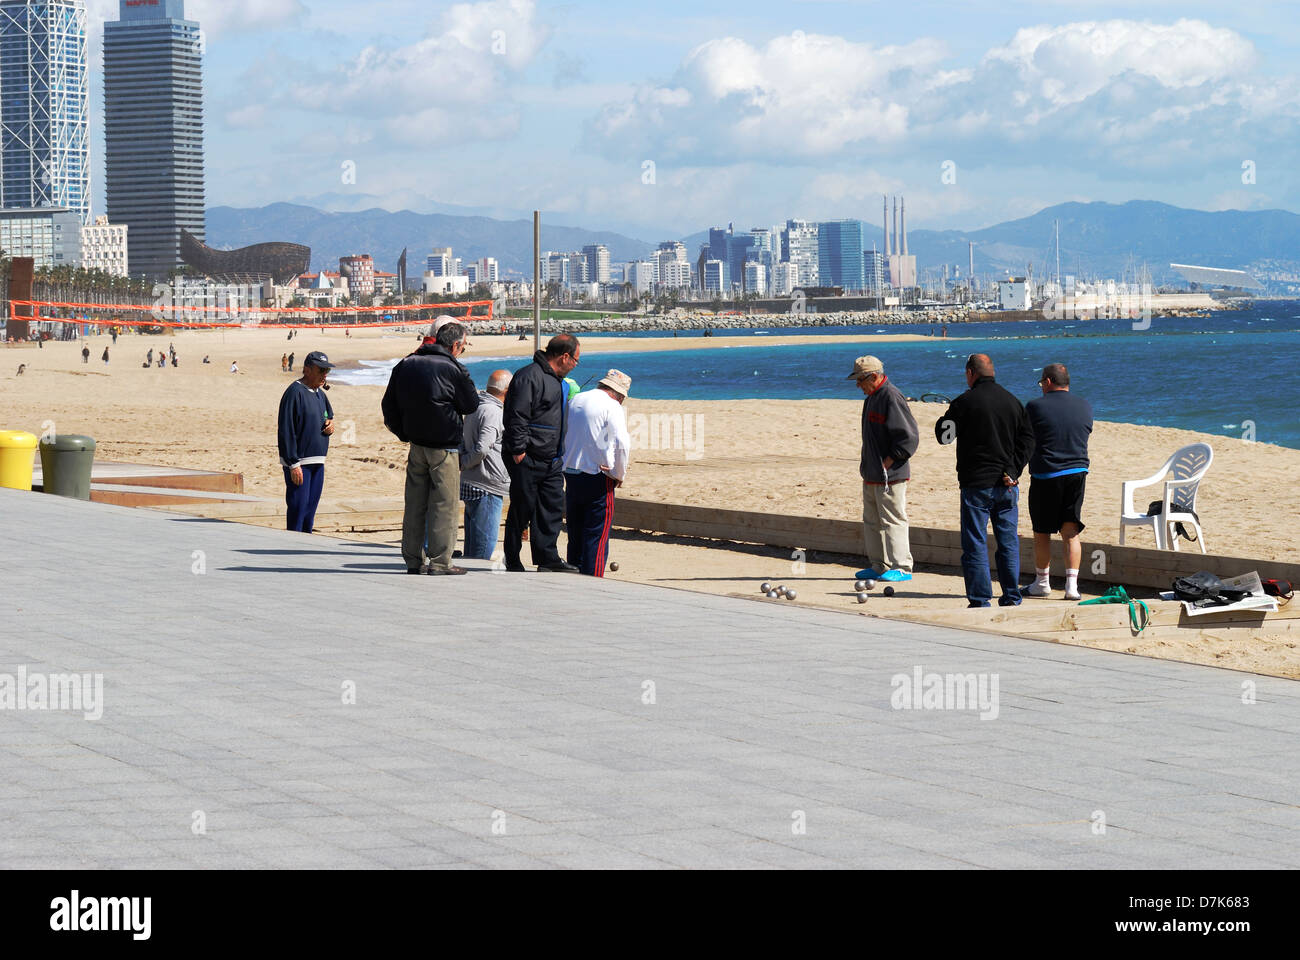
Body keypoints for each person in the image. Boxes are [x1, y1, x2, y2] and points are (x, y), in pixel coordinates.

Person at [935, 353, 1035, 608]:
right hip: (1006, 483)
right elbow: (1028, 440)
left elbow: (944, 437)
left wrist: (945, 419)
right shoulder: (1012, 402)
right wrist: (1014, 470)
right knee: (1008, 541)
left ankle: (980, 599)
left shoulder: (964, 402)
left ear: (971, 373)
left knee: (975, 542)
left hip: (976, 483)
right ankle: (1011, 595)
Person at [382, 321, 479, 575]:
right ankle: (440, 561)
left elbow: (388, 405)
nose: (462, 351)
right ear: (455, 345)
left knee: (415, 503)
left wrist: (403, 432)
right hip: (444, 445)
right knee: (444, 504)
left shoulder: (406, 363)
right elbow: (470, 404)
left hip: (417, 443)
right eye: (463, 347)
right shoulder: (454, 368)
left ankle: (413, 560)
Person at [502, 334, 581, 572]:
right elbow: (516, 415)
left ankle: (547, 559)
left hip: (552, 459)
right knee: (522, 508)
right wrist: (518, 451)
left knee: (552, 507)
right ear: (564, 357)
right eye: (576, 360)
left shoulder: (557, 380)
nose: (576, 364)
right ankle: (513, 559)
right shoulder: (529, 376)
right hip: (527, 457)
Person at [847, 356, 919, 583]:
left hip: (891, 476)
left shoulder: (891, 396)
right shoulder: (872, 397)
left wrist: (889, 461)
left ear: (874, 376)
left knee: (893, 520)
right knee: (872, 521)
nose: (858, 385)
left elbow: (909, 438)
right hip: (871, 474)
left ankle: (902, 566)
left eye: (860, 380)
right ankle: (879, 565)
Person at [1025, 363, 1093, 601]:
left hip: (1047, 473)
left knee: (1042, 532)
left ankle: (1042, 582)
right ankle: (1071, 586)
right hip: (1077, 471)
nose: (1042, 386)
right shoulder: (1084, 405)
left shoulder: (1035, 406)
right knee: (1071, 531)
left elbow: (1027, 439)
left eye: (1042, 382)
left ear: (1048, 382)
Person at [563, 370, 632, 576]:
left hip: (571, 471)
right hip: (597, 475)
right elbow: (622, 443)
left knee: (575, 532)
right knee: (597, 534)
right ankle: (593, 578)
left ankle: (574, 571)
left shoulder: (575, 400)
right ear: (618, 395)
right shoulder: (612, 406)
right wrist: (618, 473)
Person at [278, 351, 336, 533]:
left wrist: (330, 426)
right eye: (321, 370)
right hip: (300, 463)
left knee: (309, 515)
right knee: (298, 511)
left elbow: (328, 416)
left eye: (326, 370)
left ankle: (303, 557)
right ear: (307, 370)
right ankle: (290, 554)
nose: (324, 374)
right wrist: (293, 464)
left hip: (318, 462)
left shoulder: (320, 393)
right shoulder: (294, 392)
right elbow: (286, 430)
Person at [459, 369, 512, 560]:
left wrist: (464, 461)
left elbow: (465, 439)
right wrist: (465, 462)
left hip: (473, 480)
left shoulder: (476, 406)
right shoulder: (493, 412)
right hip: (487, 483)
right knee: (483, 545)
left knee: (473, 542)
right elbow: (483, 447)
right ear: (506, 390)